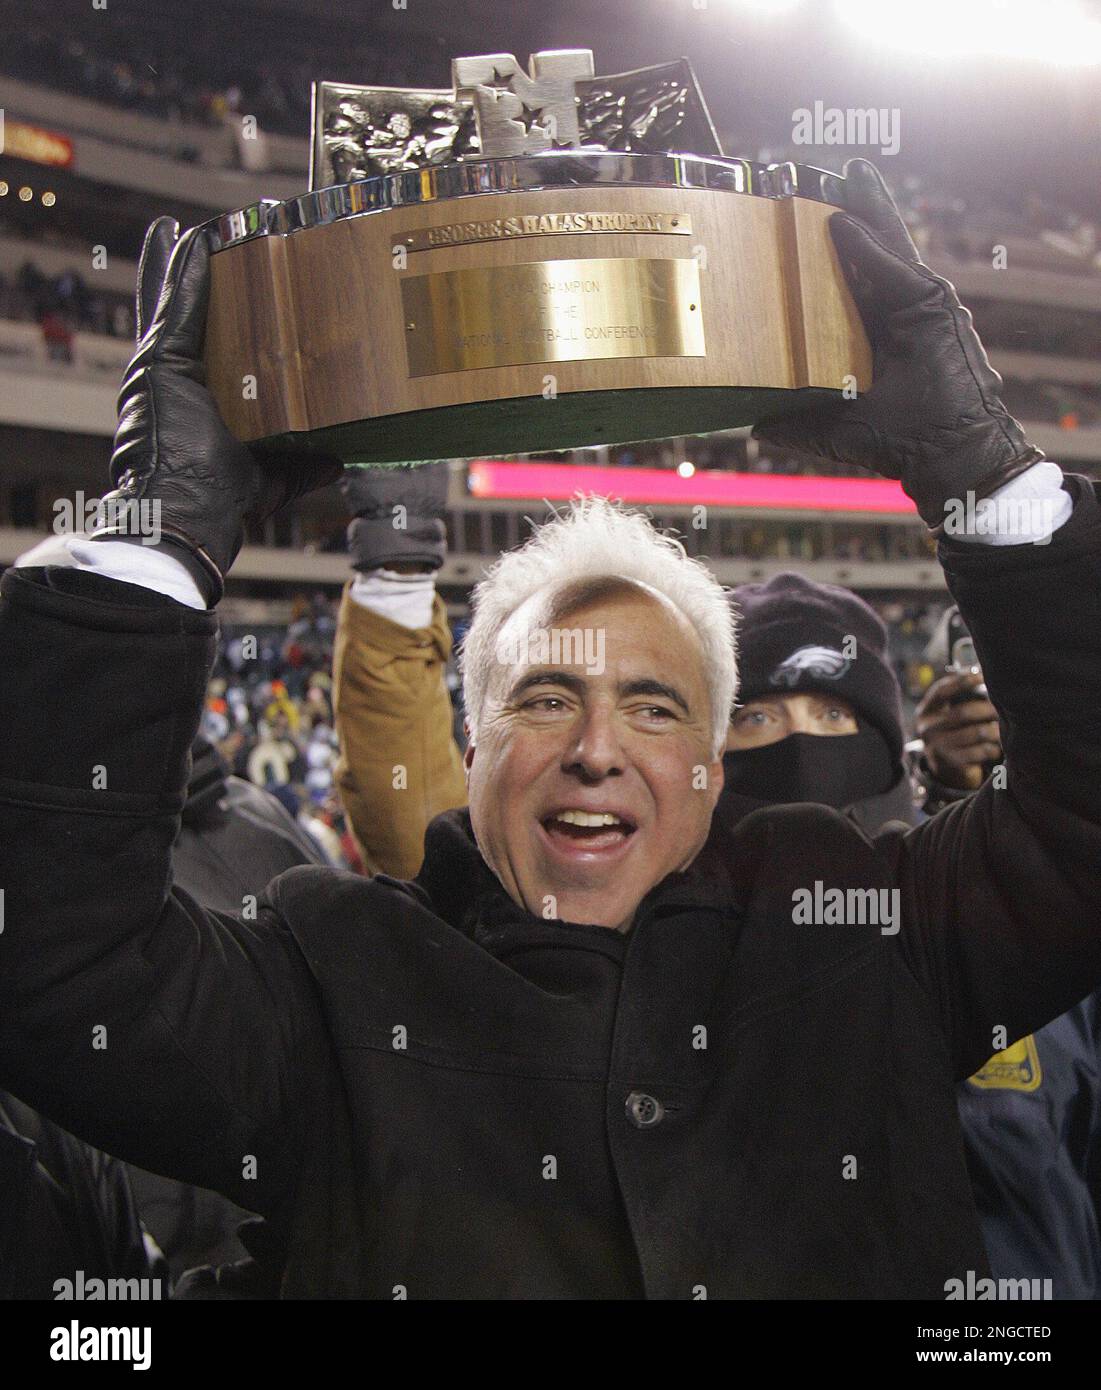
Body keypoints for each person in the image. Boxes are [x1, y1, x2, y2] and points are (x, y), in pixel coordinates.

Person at [2, 159, 1100, 1298]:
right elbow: (57, 967)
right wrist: (153, 542)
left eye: (653, 703)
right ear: (471, 747)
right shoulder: (330, 980)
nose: (596, 746)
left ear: (711, 769)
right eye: (544, 697)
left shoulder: (865, 932)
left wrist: (986, 478)